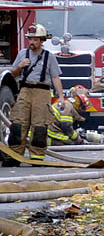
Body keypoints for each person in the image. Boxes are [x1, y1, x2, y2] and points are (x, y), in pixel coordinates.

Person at [8, 23, 63, 161]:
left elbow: (56, 77)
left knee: (39, 125)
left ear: (42, 41)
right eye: (30, 39)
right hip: (25, 90)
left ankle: (36, 156)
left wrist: (61, 97)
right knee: (18, 123)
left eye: (36, 39)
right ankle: (15, 156)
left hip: (42, 92)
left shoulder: (49, 57)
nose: (32, 42)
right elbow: (13, 74)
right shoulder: (22, 54)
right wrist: (19, 66)